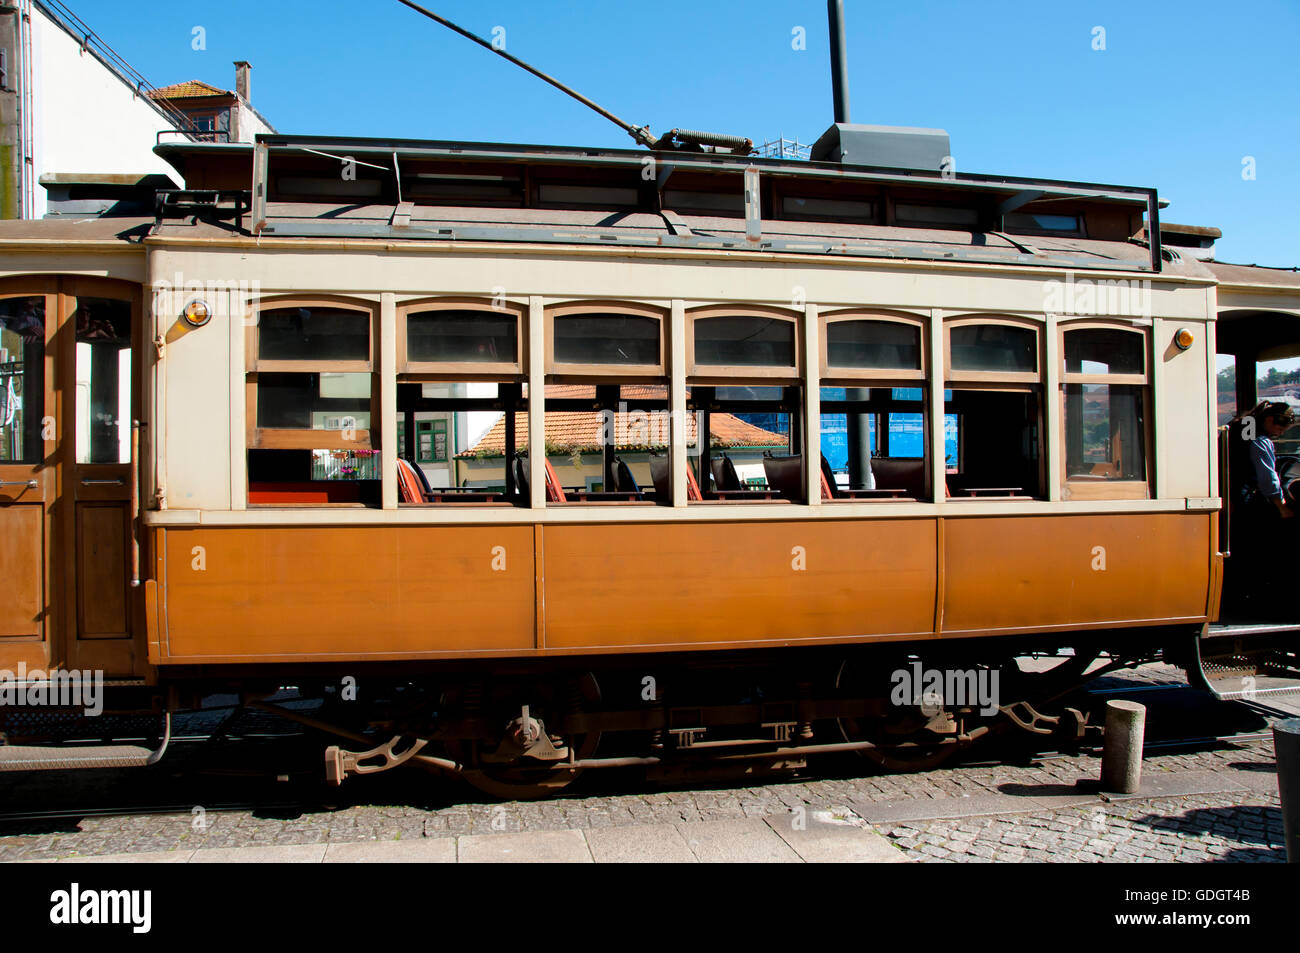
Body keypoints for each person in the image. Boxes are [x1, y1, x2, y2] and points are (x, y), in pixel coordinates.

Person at [1231, 400, 1296, 520]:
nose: (1280, 434)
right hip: (1245, 497)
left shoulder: (1242, 426)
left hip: (1230, 493)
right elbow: (1267, 477)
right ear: (1270, 420)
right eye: (1281, 429)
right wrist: (1281, 506)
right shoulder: (1260, 441)